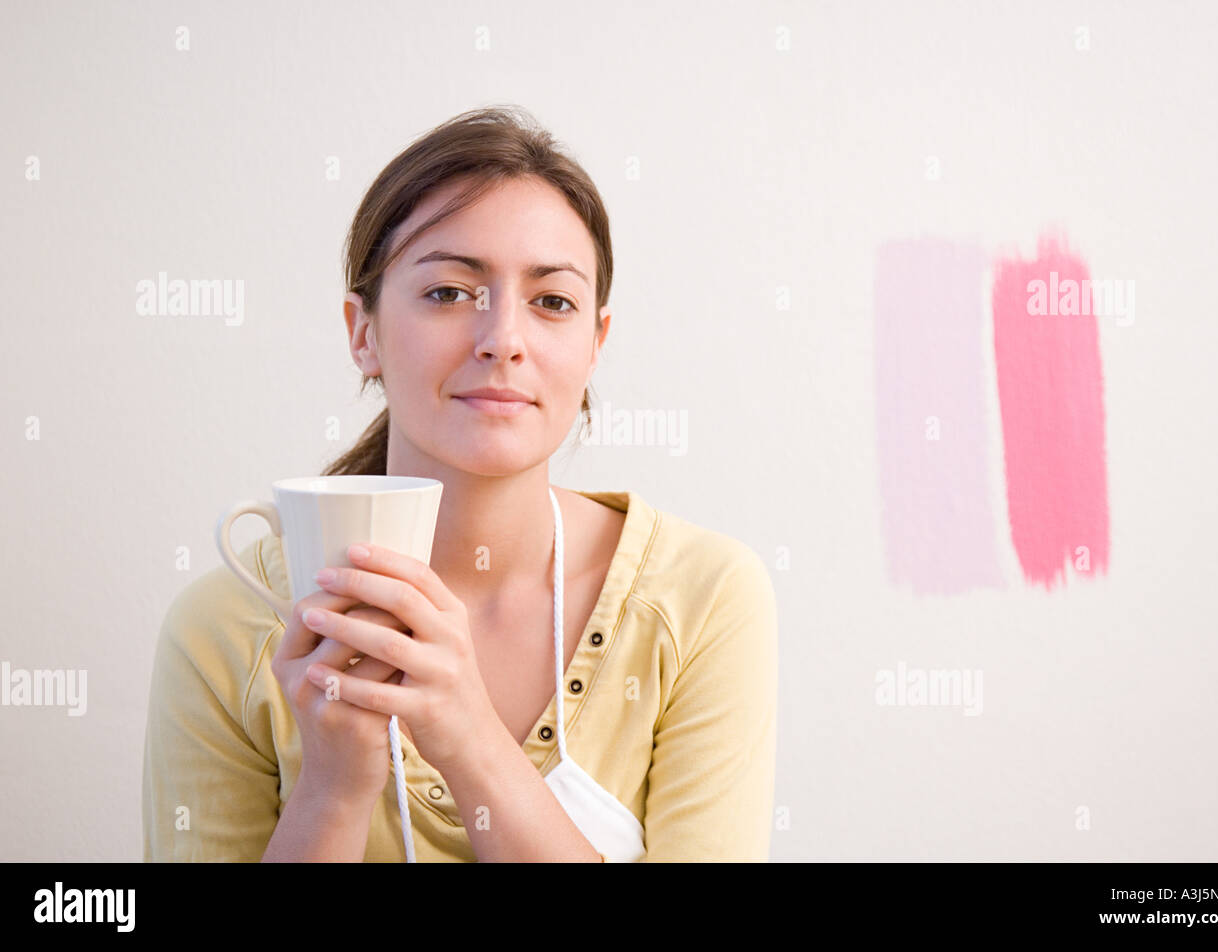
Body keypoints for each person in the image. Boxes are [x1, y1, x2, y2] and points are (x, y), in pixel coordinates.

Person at [141, 104, 778, 862]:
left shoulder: (704, 597)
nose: (502, 339)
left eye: (552, 302)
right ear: (362, 331)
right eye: (448, 293)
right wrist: (335, 787)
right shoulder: (224, 628)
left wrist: (468, 737)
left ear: (595, 343)